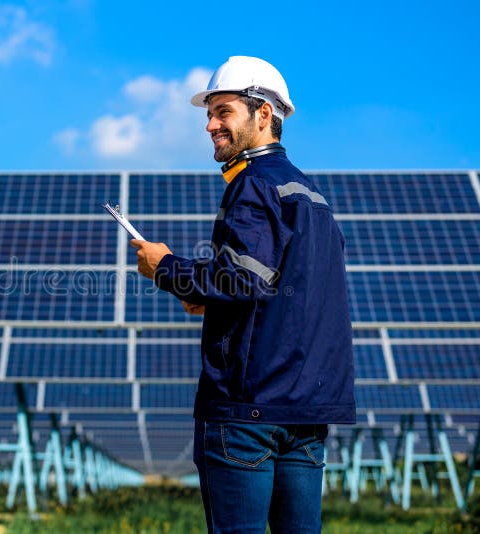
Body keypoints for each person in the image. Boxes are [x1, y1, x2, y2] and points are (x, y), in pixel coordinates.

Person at [131, 56, 355, 533]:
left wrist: (165, 268)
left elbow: (242, 279)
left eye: (223, 111)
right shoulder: (313, 196)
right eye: (208, 114)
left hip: (246, 412)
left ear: (264, 115)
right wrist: (210, 299)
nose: (210, 125)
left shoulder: (254, 184)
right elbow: (287, 294)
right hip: (304, 411)